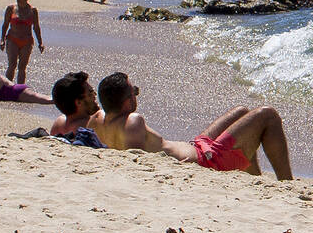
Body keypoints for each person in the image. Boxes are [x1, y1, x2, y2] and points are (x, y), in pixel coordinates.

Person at [91, 72, 293, 179]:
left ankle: (252, 177)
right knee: (267, 114)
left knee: (241, 112)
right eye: (134, 91)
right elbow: (136, 160)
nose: (136, 94)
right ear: (127, 102)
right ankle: (286, 182)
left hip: (198, 147)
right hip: (208, 161)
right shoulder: (133, 120)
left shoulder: (100, 120)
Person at [1, 0, 43, 83]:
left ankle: (20, 90)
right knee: (12, 65)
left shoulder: (33, 10)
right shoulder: (11, 8)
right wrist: (2, 40)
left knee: (22, 67)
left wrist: (40, 42)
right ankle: (7, 88)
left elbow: (36, 27)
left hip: (27, 41)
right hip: (12, 39)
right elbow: (5, 25)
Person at [50, 71, 100, 140]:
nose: (95, 94)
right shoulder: (90, 124)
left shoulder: (58, 123)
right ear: (79, 102)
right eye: (90, 92)